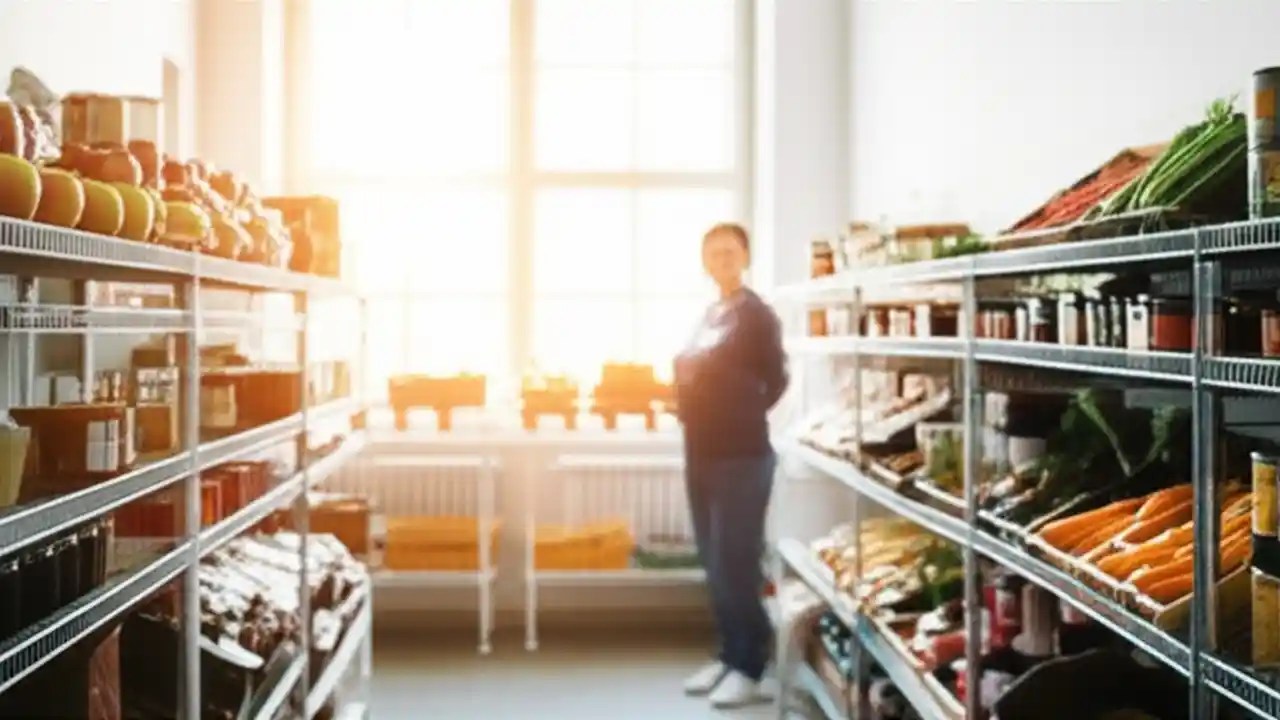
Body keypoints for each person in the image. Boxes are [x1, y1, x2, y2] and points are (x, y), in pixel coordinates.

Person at [674, 222, 788, 709]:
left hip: (741, 454)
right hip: (701, 451)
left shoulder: (756, 315)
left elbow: (776, 379)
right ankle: (730, 653)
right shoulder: (710, 313)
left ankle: (754, 665)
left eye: (730, 251)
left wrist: (737, 409)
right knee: (715, 561)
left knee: (737, 560)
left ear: (745, 257)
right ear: (704, 262)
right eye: (713, 252)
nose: (721, 259)